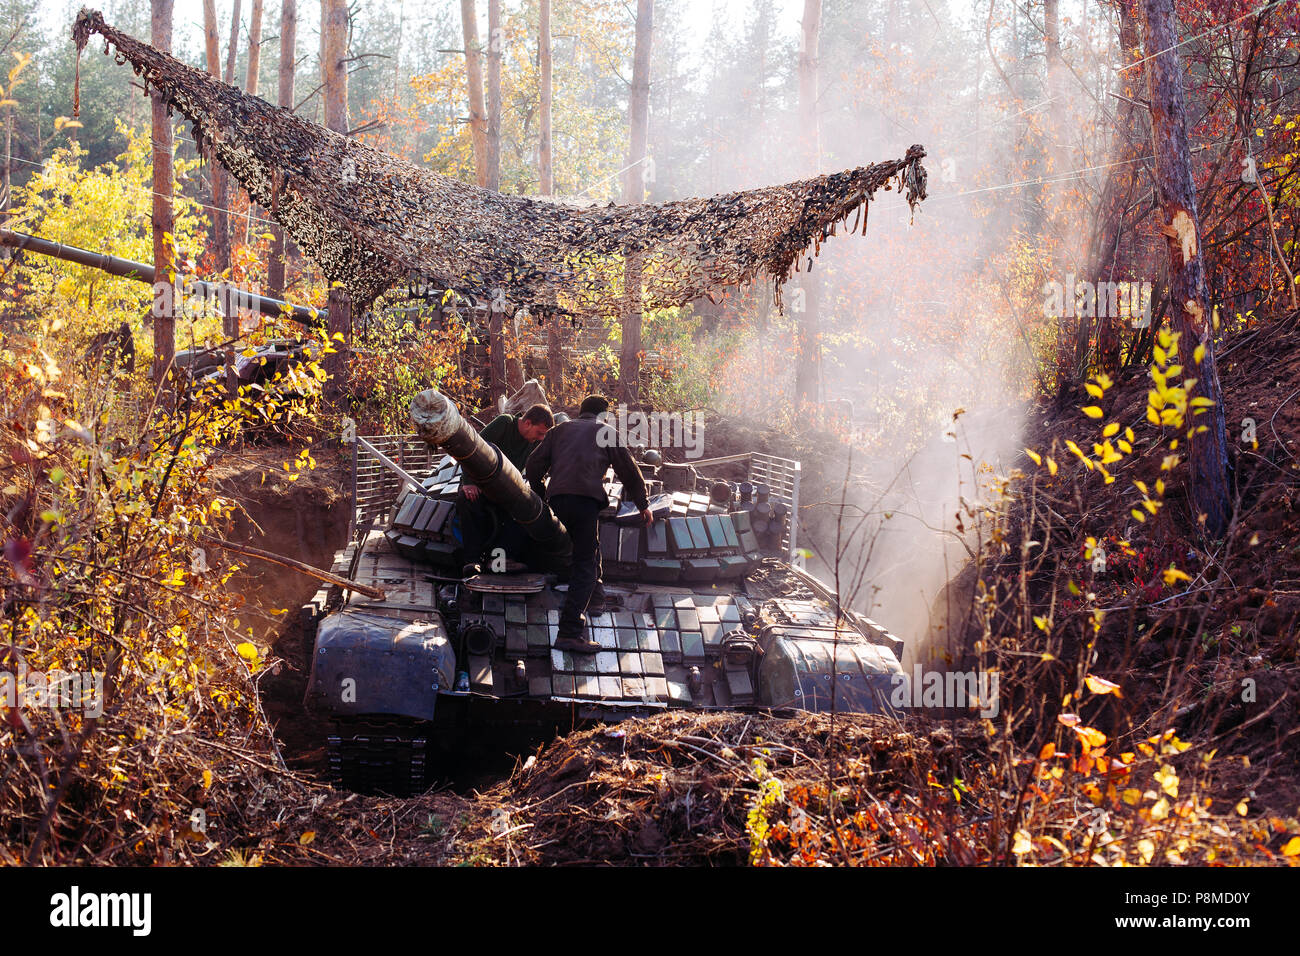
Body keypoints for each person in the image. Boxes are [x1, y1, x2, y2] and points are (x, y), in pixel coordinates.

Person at [525, 395, 653, 653]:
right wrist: (643, 504)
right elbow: (628, 470)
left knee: (587, 550)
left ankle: (595, 598)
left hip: (558, 501)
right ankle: (570, 632)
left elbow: (532, 465)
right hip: (585, 502)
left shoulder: (559, 430)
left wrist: (540, 496)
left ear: (580, 411)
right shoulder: (607, 432)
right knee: (584, 565)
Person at [458, 403, 554, 576]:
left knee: (525, 513)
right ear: (527, 423)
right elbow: (471, 448)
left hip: (505, 490)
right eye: (539, 433)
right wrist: (468, 481)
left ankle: (500, 560)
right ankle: (472, 561)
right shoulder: (504, 424)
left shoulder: (533, 442)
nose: (541, 438)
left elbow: (537, 468)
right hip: (478, 484)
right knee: (468, 503)